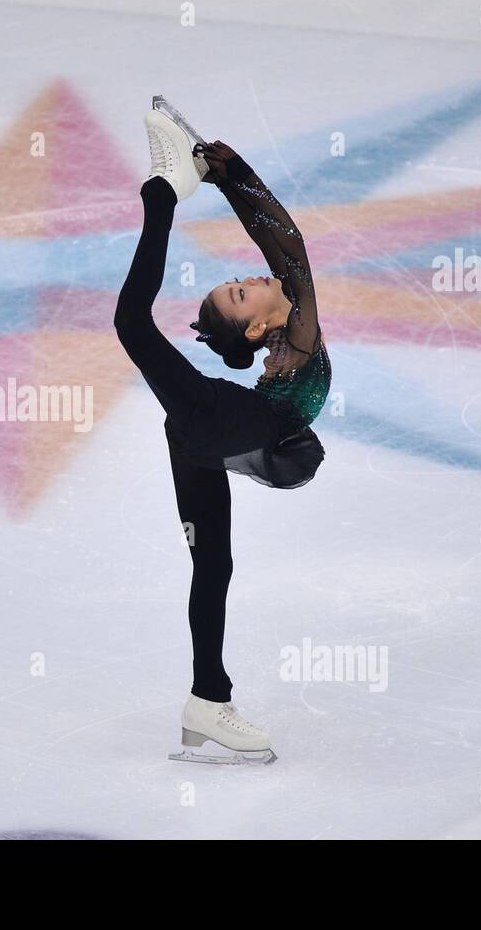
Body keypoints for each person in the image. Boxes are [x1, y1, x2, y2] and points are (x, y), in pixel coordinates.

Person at [113, 100, 331, 764]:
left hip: (217, 433)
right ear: (261, 329)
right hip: (231, 425)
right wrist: (209, 177)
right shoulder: (296, 336)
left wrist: (223, 170)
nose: (244, 278)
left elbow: (277, 242)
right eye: (240, 294)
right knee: (132, 324)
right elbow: (285, 240)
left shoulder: (287, 329)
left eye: (234, 284)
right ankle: (160, 191)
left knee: (215, 562)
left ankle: (208, 701)